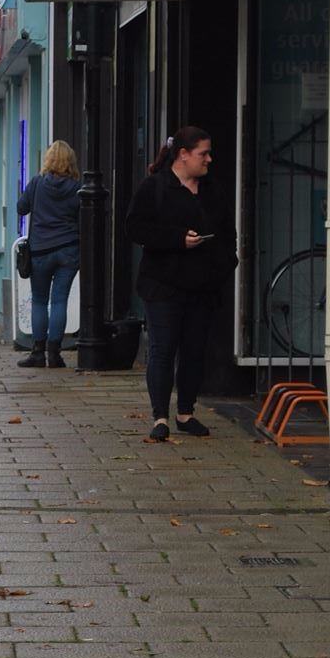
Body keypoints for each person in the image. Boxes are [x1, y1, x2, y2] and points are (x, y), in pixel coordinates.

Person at [125, 125, 237, 441]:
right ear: (183, 155)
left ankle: (185, 413)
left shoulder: (212, 189)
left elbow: (228, 232)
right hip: (163, 285)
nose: (209, 159)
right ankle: (160, 417)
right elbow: (134, 228)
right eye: (203, 153)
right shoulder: (155, 187)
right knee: (163, 348)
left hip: (202, 287)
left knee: (194, 351)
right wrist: (176, 239)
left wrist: (227, 263)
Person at [16, 140, 82, 369]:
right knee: (60, 300)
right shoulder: (76, 187)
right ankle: (55, 354)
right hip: (68, 249)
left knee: (40, 300)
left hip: (41, 250)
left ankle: (37, 352)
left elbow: (21, 208)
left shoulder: (37, 183)